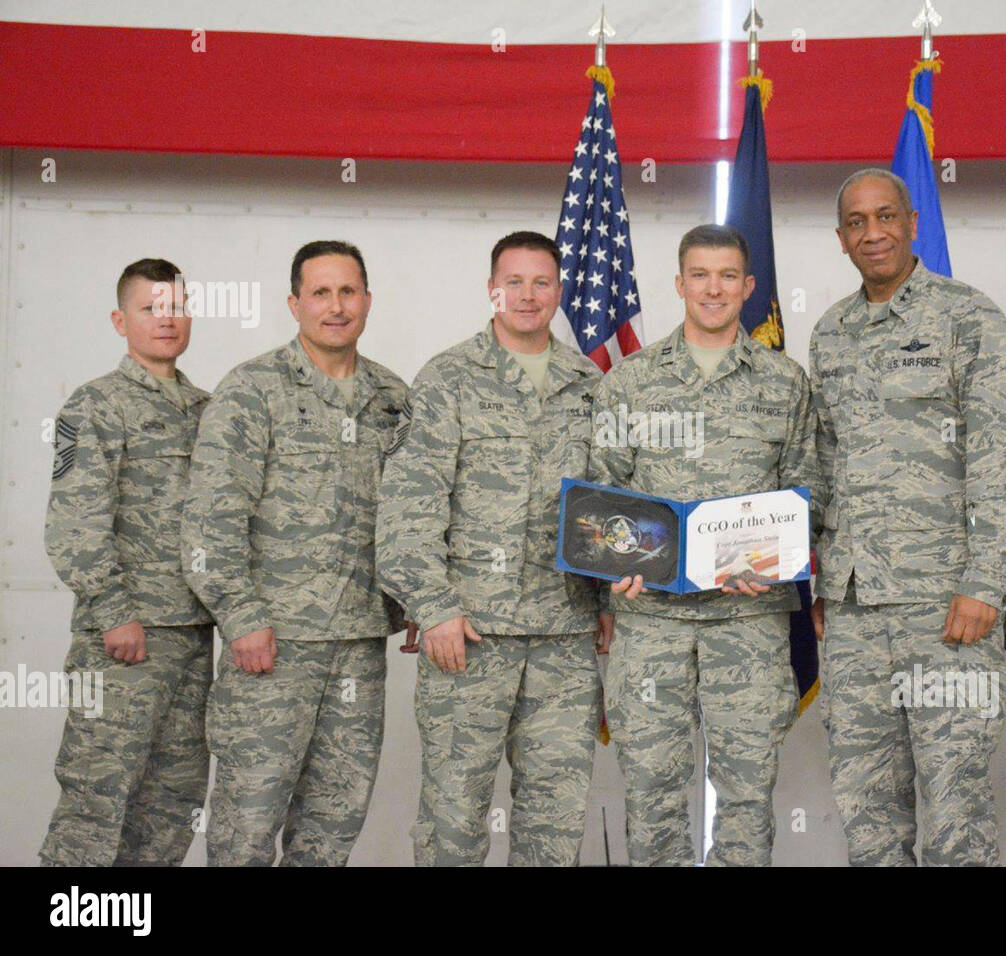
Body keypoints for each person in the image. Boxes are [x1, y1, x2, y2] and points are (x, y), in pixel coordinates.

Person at [809, 168, 1006, 866]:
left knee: (955, 803)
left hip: (945, 606)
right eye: (857, 222)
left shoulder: (968, 317)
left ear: (912, 222)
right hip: (852, 613)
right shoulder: (831, 333)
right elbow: (823, 464)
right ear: (842, 237)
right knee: (866, 804)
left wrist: (985, 582)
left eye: (886, 216)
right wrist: (821, 576)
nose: (873, 232)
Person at [588, 223, 820, 866]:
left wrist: (772, 560)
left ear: (748, 286)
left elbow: (809, 490)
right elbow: (601, 495)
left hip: (748, 618)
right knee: (653, 792)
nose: (712, 289)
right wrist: (616, 567)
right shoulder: (629, 383)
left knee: (746, 795)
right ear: (679, 283)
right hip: (650, 619)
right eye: (699, 275)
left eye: (726, 276)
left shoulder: (785, 383)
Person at [376, 231, 604, 866]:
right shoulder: (448, 378)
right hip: (469, 634)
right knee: (455, 816)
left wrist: (609, 596)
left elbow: (609, 501)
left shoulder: (589, 383)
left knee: (556, 817)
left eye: (541, 283)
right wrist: (434, 605)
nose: (527, 296)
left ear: (559, 292)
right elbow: (408, 507)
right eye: (515, 282)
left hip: (563, 635)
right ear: (491, 290)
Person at [182, 240, 408, 866]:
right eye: (320, 292)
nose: (336, 307)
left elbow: (410, 514)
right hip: (272, 646)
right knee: (246, 826)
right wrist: (241, 615)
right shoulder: (252, 390)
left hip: (359, 646)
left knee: (334, 822)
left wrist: (415, 598)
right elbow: (208, 520)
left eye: (348, 292)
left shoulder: (393, 399)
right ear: (294, 303)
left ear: (366, 300)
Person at [41, 258, 214, 866]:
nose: (166, 321)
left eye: (176, 308)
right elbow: (74, 526)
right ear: (121, 320)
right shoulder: (94, 406)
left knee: (172, 801)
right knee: (97, 801)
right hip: (124, 639)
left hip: (192, 635)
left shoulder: (208, 410)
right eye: (150, 308)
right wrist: (115, 614)